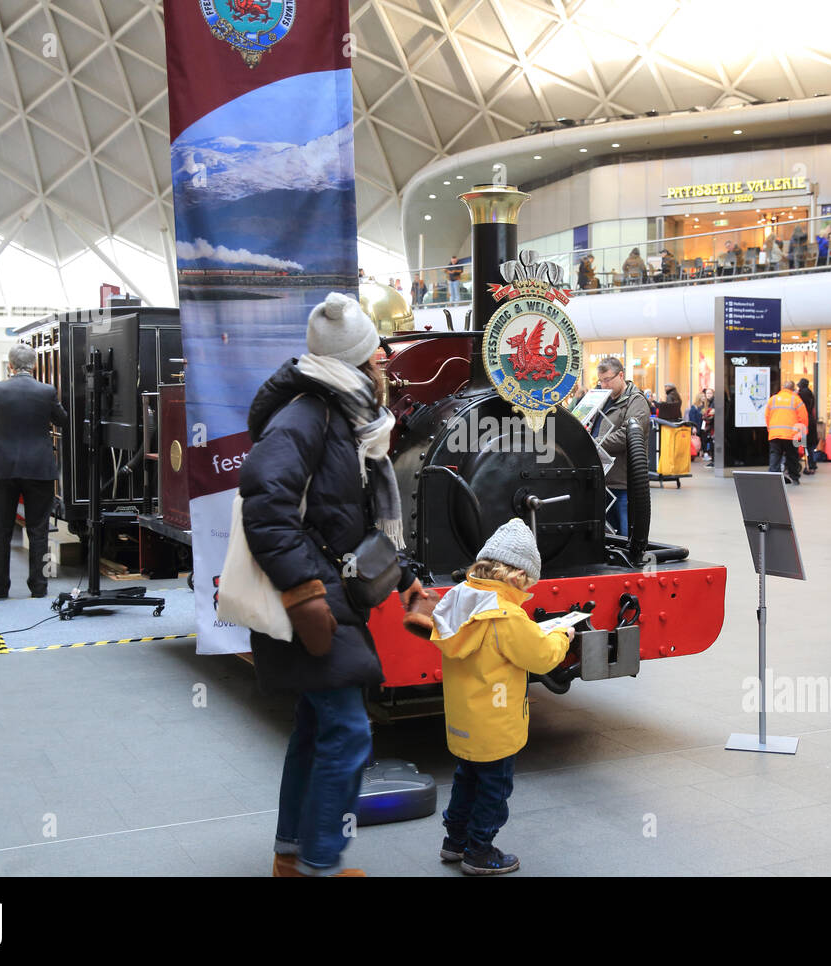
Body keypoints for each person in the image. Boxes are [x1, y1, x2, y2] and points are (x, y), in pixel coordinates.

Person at [239, 292, 428, 877]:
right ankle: (321, 861)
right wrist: (304, 593)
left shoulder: (347, 420)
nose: (384, 366)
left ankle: (292, 857)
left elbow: (363, 523)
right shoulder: (307, 415)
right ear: (350, 363)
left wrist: (409, 582)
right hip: (315, 600)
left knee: (316, 728)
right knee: (346, 733)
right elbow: (264, 503)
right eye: (375, 357)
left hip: (330, 593)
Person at [428, 519, 574, 875]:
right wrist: (562, 637)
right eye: (527, 583)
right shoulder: (507, 616)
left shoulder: (461, 597)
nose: (528, 591)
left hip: (464, 720)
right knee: (495, 790)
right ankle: (480, 851)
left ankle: (455, 841)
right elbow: (540, 656)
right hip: (496, 726)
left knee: (466, 779)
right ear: (515, 576)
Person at [0, 344, 68, 599]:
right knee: (38, 529)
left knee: (1, 531)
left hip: (1, 467)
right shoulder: (47, 391)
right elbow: (62, 420)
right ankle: (39, 586)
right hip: (38, 467)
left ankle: (0, 587)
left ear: (10, 365)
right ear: (35, 365)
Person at [592, 357, 650, 536]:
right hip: (604, 479)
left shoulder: (635, 401)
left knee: (626, 537)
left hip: (623, 483)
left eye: (607, 379)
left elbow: (628, 435)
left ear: (621, 375)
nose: (603, 385)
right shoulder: (603, 399)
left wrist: (594, 443)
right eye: (600, 381)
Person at [766, 379, 808, 485]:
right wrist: (802, 436)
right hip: (792, 435)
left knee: (775, 455)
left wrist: (770, 429)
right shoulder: (797, 400)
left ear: (782, 388)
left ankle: (773, 477)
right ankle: (794, 478)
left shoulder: (773, 399)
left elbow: (767, 416)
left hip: (775, 433)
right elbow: (803, 419)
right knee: (792, 457)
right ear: (793, 389)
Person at [796, 378, 818, 474]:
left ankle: (797, 465)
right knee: (810, 446)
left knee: (799, 444)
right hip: (811, 421)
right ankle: (812, 464)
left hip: (803, 421)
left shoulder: (800, 395)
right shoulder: (811, 394)